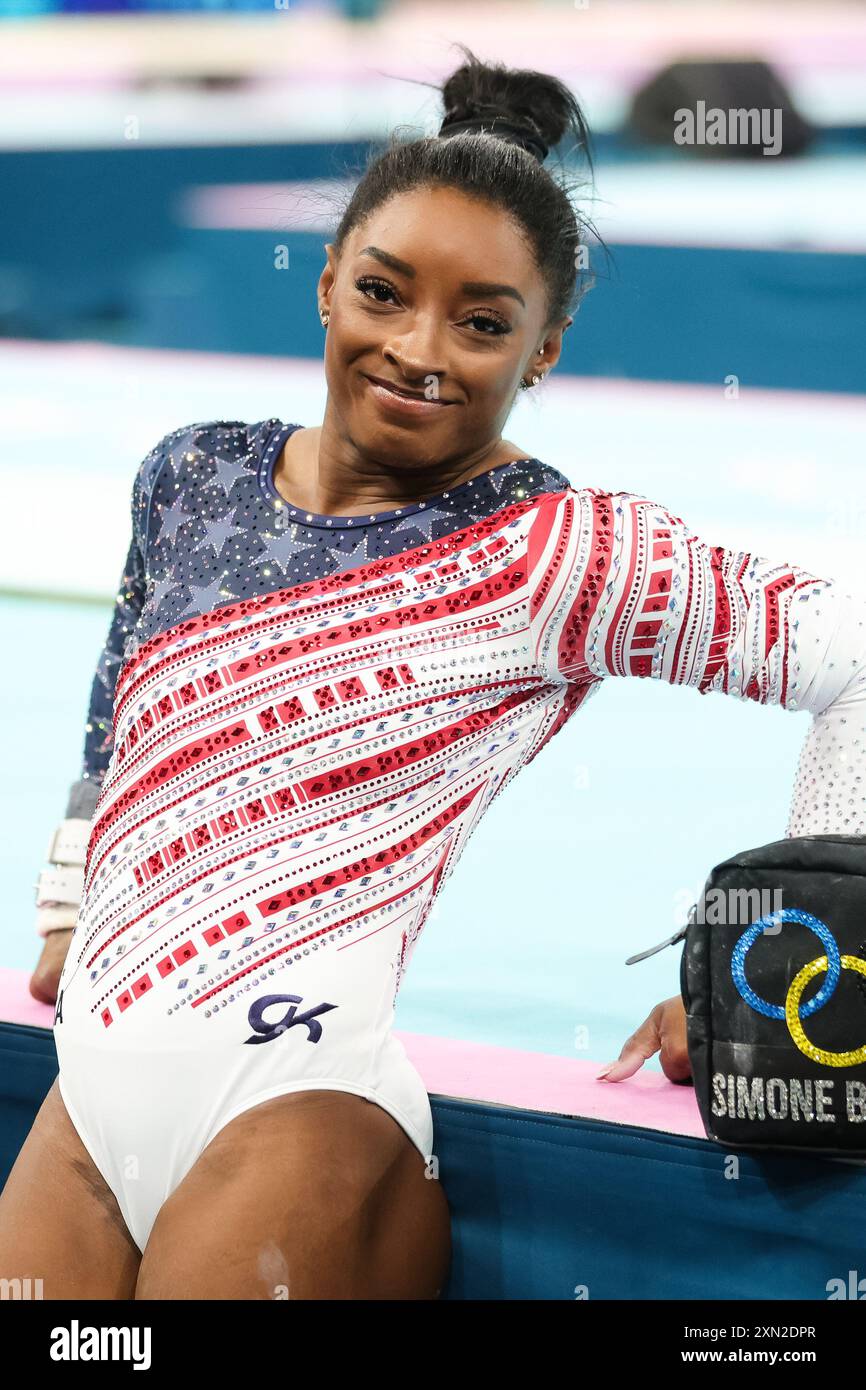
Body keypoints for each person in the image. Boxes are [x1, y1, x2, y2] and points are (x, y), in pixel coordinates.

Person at [4, 45, 865, 1301]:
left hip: (300, 1119)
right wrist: (71, 897)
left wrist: (799, 949)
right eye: (382, 293)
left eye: (480, 325)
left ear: (545, 350)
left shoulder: (553, 552)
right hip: (89, 1118)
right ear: (324, 289)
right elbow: (124, 671)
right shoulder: (191, 472)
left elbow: (849, 653)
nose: (420, 351)